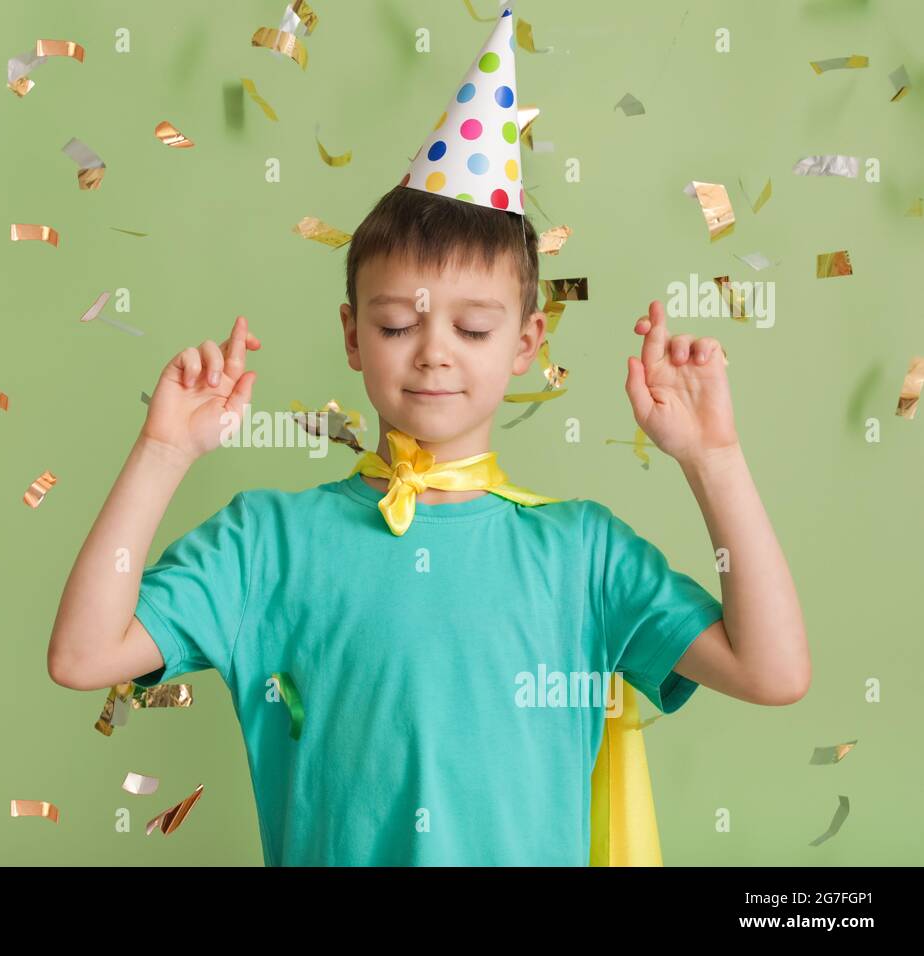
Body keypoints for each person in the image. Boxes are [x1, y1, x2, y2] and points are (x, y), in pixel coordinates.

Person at [47, 7, 808, 866]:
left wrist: (714, 461)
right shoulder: (265, 544)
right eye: (398, 325)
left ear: (526, 343)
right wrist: (163, 455)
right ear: (351, 336)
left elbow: (772, 672)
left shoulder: (584, 554)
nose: (435, 353)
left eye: (475, 329)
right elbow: (83, 655)